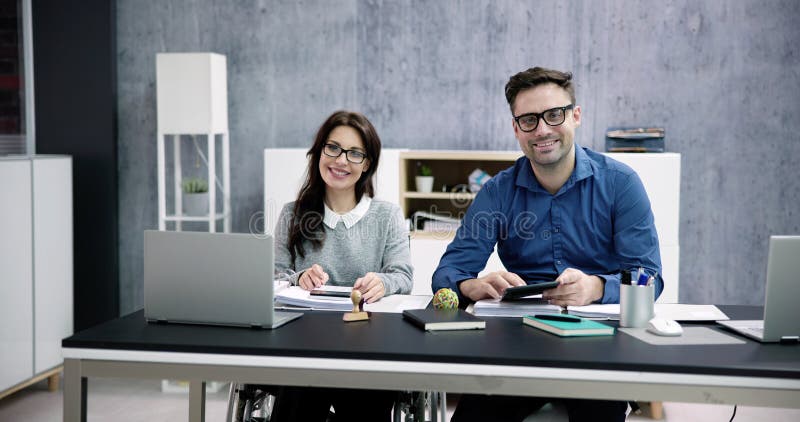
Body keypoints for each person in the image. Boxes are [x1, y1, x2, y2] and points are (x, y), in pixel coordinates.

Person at [431, 67, 663, 421]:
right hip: (518, 346)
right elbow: (448, 272)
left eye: (554, 115)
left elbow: (649, 278)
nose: (542, 129)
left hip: (599, 345)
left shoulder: (621, 184)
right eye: (528, 120)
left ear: (576, 115)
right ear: (515, 128)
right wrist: (471, 285)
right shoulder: (497, 192)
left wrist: (596, 287)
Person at [270, 110, 413, 422]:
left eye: (354, 153)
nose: (340, 160)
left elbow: (402, 276)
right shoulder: (292, 213)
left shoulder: (386, 216)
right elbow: (275, 275)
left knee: (367, 398)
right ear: (319, 151)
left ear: (367, 164)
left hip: (368, 345)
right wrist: (298, 278)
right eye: (332, 148)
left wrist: (382, 282)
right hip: (304, 345)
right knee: (299, 391)